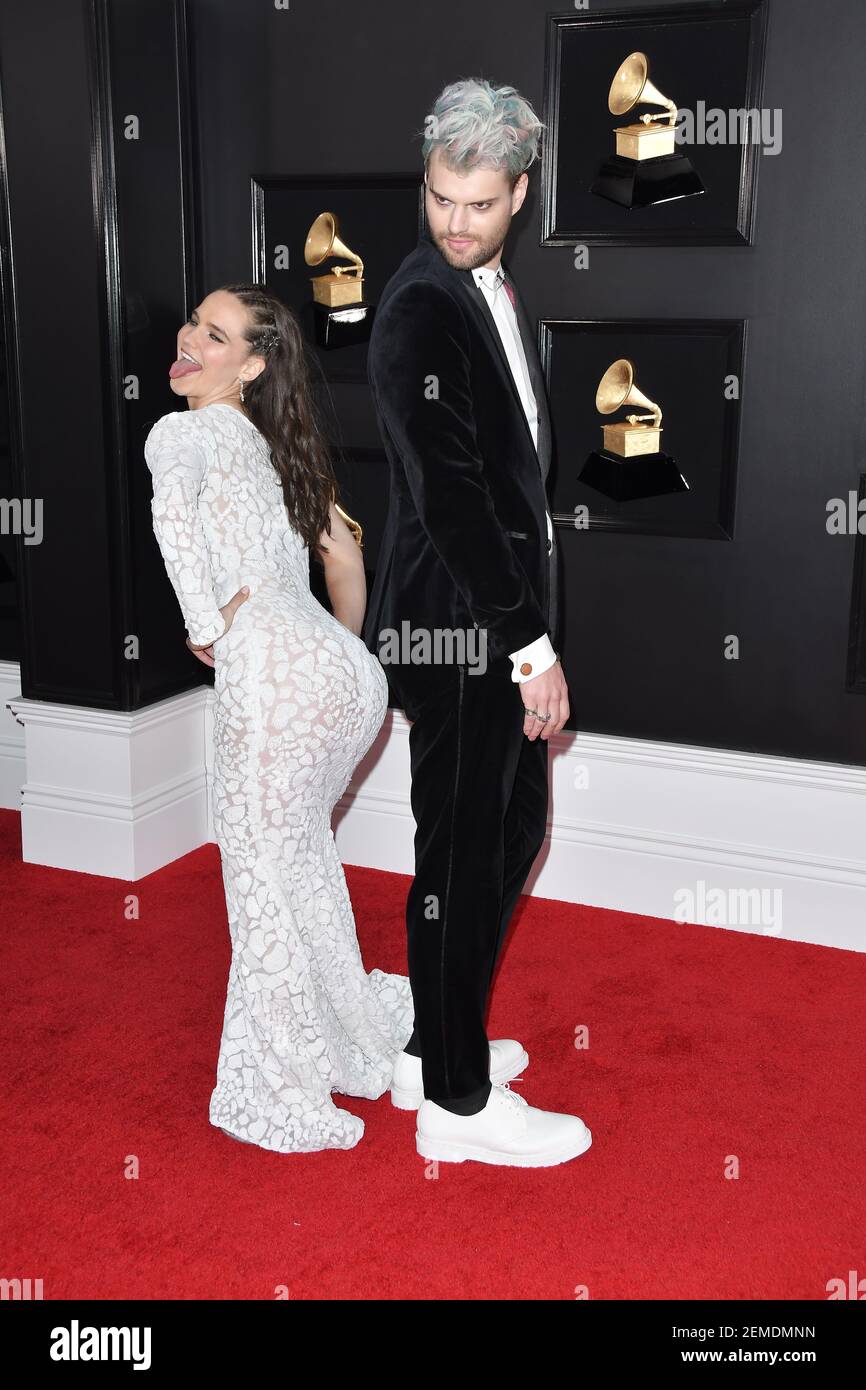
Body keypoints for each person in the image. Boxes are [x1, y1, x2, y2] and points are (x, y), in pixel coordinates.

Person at [363, 79, 592, 1167]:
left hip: (486, 620)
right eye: (440, 199)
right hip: (461, 632)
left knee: (504, 834)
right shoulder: (418, 303)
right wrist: (529, 646)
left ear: (521, 194)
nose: (454, 223)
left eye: (479, 204)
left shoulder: (486, 292)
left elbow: (512, 476)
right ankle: (454, 1105)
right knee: (462, 848)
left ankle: (427, 1042)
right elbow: (452, 498)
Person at [144, 284, 414, 1154]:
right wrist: (336, 655)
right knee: (302, 860)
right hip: (344, 677)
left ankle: (285, 1082)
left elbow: (171, 519)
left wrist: (204, 625)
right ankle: (351, 1037)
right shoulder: (281, 448)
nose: (189, 339)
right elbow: (346, 556)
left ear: (251, 366)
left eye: (214, 335)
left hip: (271, 671)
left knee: (262, 878)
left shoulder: (180, 432)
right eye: (194, 322)